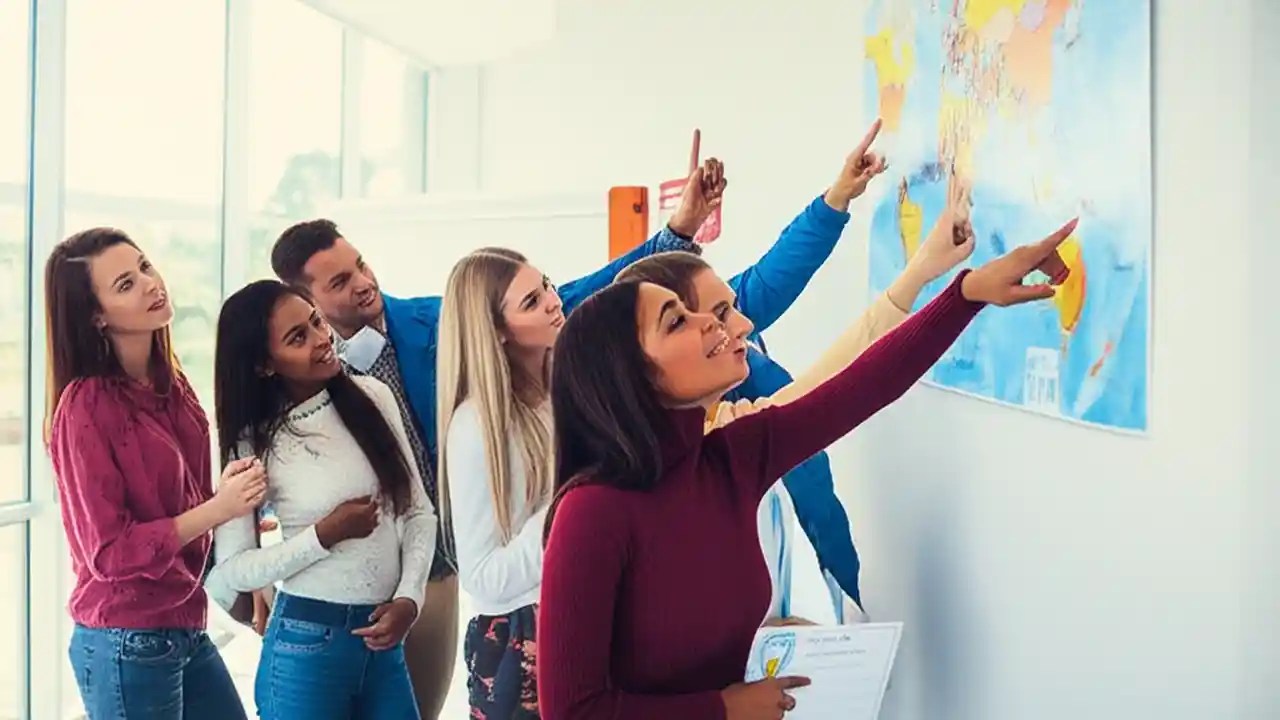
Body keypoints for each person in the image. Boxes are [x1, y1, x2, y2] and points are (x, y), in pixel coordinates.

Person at [539, 206, 1078, 719]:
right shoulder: (594, 513)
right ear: (628, 375)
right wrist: (724, 709)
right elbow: (573, 709)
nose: (716, 325)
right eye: (677, 321)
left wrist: (967, 293)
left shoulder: (731, 457)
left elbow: (864, 387)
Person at [264, 157, 728, 718]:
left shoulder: (442, 325)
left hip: (442, 569)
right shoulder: (307, 383)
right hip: (365, 579)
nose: (364, 283)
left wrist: (675, 235)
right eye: (341, 281)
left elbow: (587, 296)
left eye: (360, 265)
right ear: (308, 300)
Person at [614, 156, 980, 625]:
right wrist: (758, 646)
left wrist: (926, 274)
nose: (745, 325)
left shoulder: (733, 429)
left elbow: (841, 379)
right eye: (720, 315)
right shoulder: (626, 496)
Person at [44, 227, 263, 720]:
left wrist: (231, 518)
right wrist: (217, 509)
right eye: (125, 284)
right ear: (96, 316)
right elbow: (108, 552)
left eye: (144, 266)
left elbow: (183, 510)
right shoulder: (85, 406)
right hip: (127, 636)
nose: (149, 283)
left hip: (184, 622)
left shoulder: (174, 386)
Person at [204, 280, 436, 719]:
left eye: (315, 321)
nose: (321, 339)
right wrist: (324, 535)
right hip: (305, 649)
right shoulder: (253, 444)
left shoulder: (374, 398)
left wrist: (410, 599)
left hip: (384, 645)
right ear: (263, 365)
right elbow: (232, 570)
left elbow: (419, 513)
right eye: (298, 338)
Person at [436, 248, 562, 718]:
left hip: (583, 615)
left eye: (546, 285)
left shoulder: (564, 393)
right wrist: (567, 510)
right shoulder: (477, 427)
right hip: (521, 642)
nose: (553, 301)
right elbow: (482, 575)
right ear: (497, 332)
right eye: (531, 301)